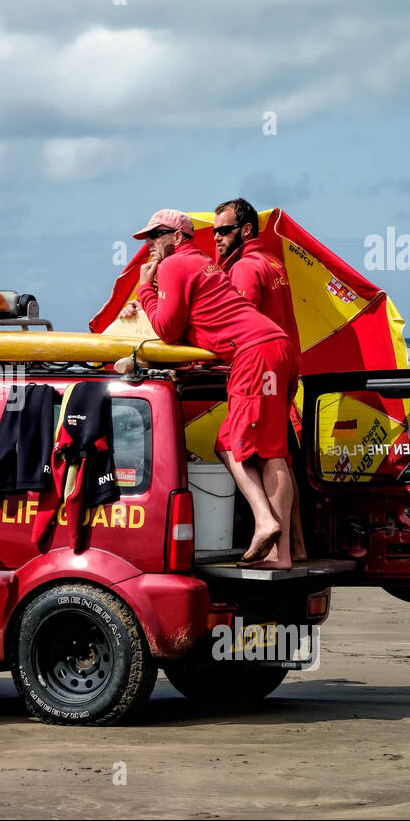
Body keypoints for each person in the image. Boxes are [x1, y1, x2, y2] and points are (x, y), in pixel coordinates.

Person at [130, 209, 300, 568]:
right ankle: (283, 553)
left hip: (253, 355)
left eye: (154, 236)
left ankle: (265, 523)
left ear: (176, 238)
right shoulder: (205, 264)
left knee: (232, 446)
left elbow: (167, 329)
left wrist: (146, 289)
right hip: (277, 348)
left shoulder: (173, 266)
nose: (148, 245)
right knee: (272, 452)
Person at [213, 197, 306, 561]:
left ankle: (276, 549)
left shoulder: (245, 269)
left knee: (253, 449)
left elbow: (239, 323)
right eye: (216, 231)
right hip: (284, 362)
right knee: (277, 450)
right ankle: (295, 546)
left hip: (260, 361)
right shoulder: (273, 262)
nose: (217, 238)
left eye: (224, 230)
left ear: (246, 229)